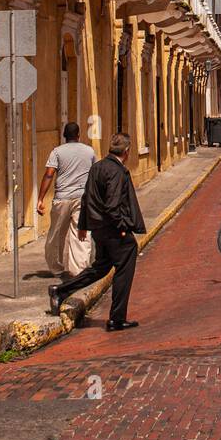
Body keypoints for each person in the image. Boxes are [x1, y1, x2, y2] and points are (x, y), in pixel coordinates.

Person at [48, 133, 146, 330]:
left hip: (99, 229)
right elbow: (112, 204)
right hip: (114, 230)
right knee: (124, 270)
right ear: (127, 151)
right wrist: (122, 228)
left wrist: (84, 224)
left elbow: (87, 197)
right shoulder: (117, 172)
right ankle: (116, 318)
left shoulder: (97, 167)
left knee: (100, 267)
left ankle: (60, 290)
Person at [37, 123, 95, 279]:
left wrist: (40, 199)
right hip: (82, 198)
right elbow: (94, 174)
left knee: (56, 233)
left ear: (64, 135)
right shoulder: (89, 152)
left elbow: (49, 174)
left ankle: (56, 267)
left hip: (62, 198)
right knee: (81, 232)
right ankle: (80, 270)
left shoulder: (57, 152)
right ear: (78, 135)